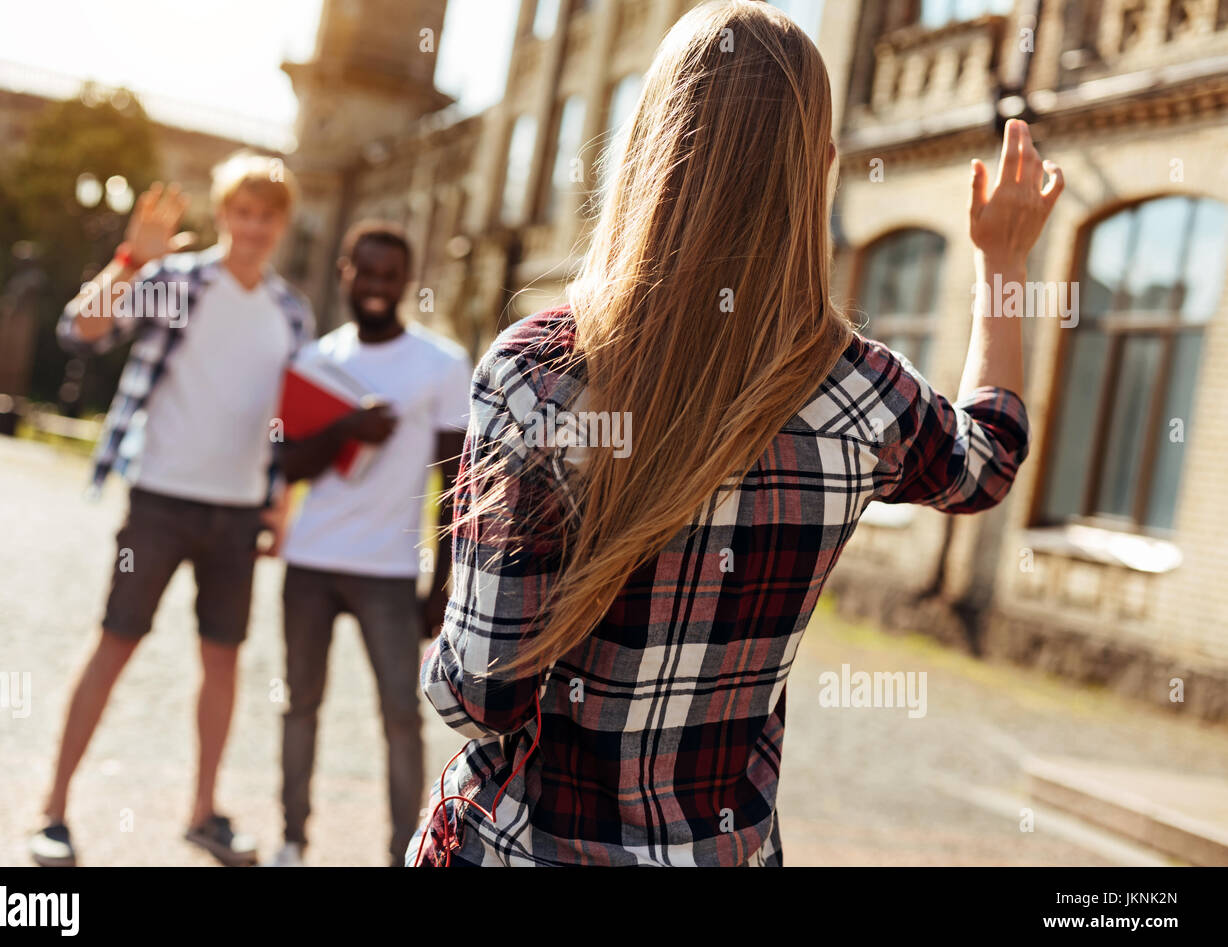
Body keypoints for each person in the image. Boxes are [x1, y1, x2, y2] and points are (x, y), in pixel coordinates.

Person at [406, 0, 1064, 866]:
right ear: (820, 167)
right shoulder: (865, 391)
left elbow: (480, 695)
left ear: (645, 146)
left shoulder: (542, 372)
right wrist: (1004, 264)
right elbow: (988, 461)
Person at [31, 152, 314, 867]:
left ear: (281, 225)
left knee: (223, 663)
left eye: (266, 216)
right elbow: (81, 332)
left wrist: (281, 506)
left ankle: (202, 814)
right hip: (159, 500)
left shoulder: (291, 313)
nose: (251, 227)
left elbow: (296, 420)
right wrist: (129, 260)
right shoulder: (178, 282)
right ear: (222, 217)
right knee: (115, 642)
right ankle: (54, 811)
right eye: (240, 213)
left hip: (240, 513)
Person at [266, 220, 471, 867]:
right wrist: (348, 428)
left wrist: (440, 588)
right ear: (345, 272)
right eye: (367, 271)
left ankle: (401, 852)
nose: (378, 286)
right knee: (301, 705)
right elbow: (290, 465)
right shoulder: (315, 361)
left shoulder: (442, 363)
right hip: (310, 562)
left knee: (401, 717)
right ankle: (294, 840)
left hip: (387, 570)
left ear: (406, 282)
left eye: (391, 275)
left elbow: (455, 485)